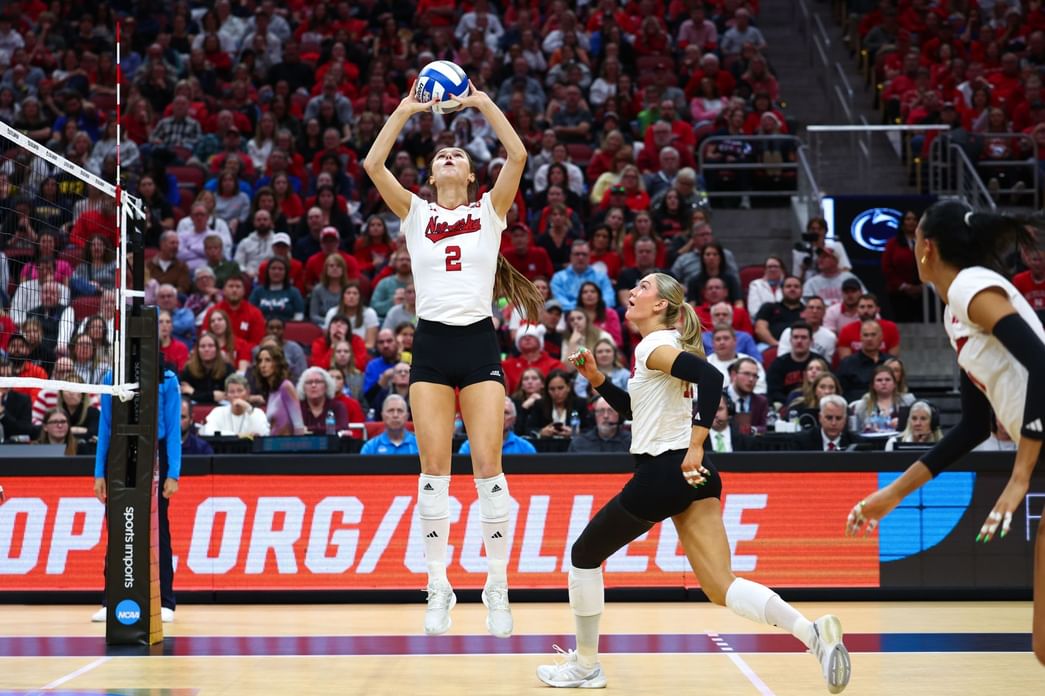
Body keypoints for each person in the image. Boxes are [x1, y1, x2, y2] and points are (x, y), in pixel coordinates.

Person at [538, 272, 850, 691]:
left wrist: (697, 442)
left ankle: (587, 665)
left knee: (583, 556)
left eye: (643, 288)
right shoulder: (664, 348)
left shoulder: (654, 344)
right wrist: (597, 379)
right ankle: (811, 632)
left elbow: (713, 379)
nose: (632, 292)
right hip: (695, 478)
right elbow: (636, 409)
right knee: (722, 586)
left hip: (666, 470)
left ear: (661, 305)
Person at [363, 77, 544, 639]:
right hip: (433, 346)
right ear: (434, 173)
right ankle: (438, 584)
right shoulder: (415, 213)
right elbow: (374, 164)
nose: (448, 155)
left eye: (458, 155)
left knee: (490, 472)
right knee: (433, 476)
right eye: (442, 153)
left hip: (478, 342)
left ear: (468, 175)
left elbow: (517, 153)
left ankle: (496, 584)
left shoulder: (491, 209)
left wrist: (478, 101)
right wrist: (405, 108)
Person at [844, 202, 1045, 666]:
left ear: (927, 248)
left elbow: (1041, 364)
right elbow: (973, 427)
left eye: (915, 240)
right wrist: (892, 495)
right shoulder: (955, 312)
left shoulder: (972, 285)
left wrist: (1020, 476)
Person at [92, 368, 181, 624]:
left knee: (158, 528)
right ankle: (111, 601)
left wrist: (173, 472)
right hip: (120, 452)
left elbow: (174, 427)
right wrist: (100, 472)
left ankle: (165, 600)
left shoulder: (166, 377)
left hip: (155, 452)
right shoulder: (112, 377)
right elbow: (105, 425)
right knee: (117, 527)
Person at [251, 343, 304, 436]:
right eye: (260, 361)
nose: (262, 365)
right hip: (273, 445)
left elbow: (298, 425)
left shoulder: (286, 386)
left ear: (277, 363)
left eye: (268, 360)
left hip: (287, 446)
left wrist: (297, 447)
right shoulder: (271, 391)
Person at [837, 321, 893, 402]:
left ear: (881, 337)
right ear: (860, 338)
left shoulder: (890, 362)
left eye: (873, 335)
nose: (869, 339)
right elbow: (840, 391)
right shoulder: (847, 363)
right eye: (865, 335)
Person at [199, 374, 271, 437]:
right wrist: (236, 436)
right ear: (226, 395)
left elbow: (264, 433)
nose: (236, 395)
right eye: (231, 392)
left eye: (240, 391)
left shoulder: (257, 413)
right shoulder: (217, 412)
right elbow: (208, 432)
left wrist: (248, 408)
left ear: (248, 392)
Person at [460, 397, 537, 454]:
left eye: (506, 413)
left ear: (514, 419)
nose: (500, 416)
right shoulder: (470, 446)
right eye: (496, 412)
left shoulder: (526, 448)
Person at [297, 366, 352, 434]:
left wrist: (308, 429)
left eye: (318, 382)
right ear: (303, 387)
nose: (313, 385)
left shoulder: (338, 406)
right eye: (309, 382)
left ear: (326, 386)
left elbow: (342, 428)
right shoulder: (297, 407)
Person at [567, 396, 631, 453]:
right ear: (594, 415)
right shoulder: (579, 443)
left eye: (610, 411)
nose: (606, 416)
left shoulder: (631, 442)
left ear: (619, 416)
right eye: (601, 411)